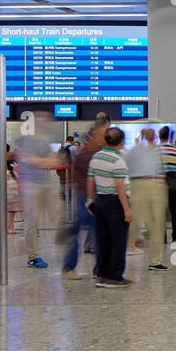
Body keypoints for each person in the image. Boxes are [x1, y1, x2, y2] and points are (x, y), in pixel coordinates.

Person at [63, 113, 109, 279]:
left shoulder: (97, 153)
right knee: (82, 232)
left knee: (97, 233)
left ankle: (98, 269)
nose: (104, 139)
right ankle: (70, 267)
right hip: (85, 198)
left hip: (94, 197)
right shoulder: (85, 154)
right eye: (102, 136)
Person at [87, 127, 133, 288]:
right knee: (119, 240)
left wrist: (90, 201)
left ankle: (102, 274)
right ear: (121, 141)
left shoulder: (96, 157)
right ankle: (115, 277)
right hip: (115, 202)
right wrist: (127, 209)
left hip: (100, 201)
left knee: (103, 239)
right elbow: (120, 187)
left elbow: (90, 181)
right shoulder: (117, 161)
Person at [13, 111, 58, 268]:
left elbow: (53, 160)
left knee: (57, 215)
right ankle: (33, 256)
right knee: (32, 221)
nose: (43, 123)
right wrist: (43, 161)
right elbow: (33, 161)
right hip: (31, 185)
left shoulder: (45, 141)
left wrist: (42, 161)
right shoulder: (24, 140)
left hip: (46, 184)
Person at [126, 127, 168, 270]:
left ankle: (156, 261)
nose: (152, 135)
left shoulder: (157, 151)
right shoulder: (135, 151)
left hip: (155, 184)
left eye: (153, 133)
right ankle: (129, 247)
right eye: (149, 134)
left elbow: (161, 170)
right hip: (138, 184)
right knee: (135, 221)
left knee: (157, 223)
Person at [158, 125, 176, 245]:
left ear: (159, 136)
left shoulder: (155, 150)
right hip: (174, 184)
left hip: (159, 184)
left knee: (160, 212)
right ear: (170, 136)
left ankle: (161, 237)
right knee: (175, 210)